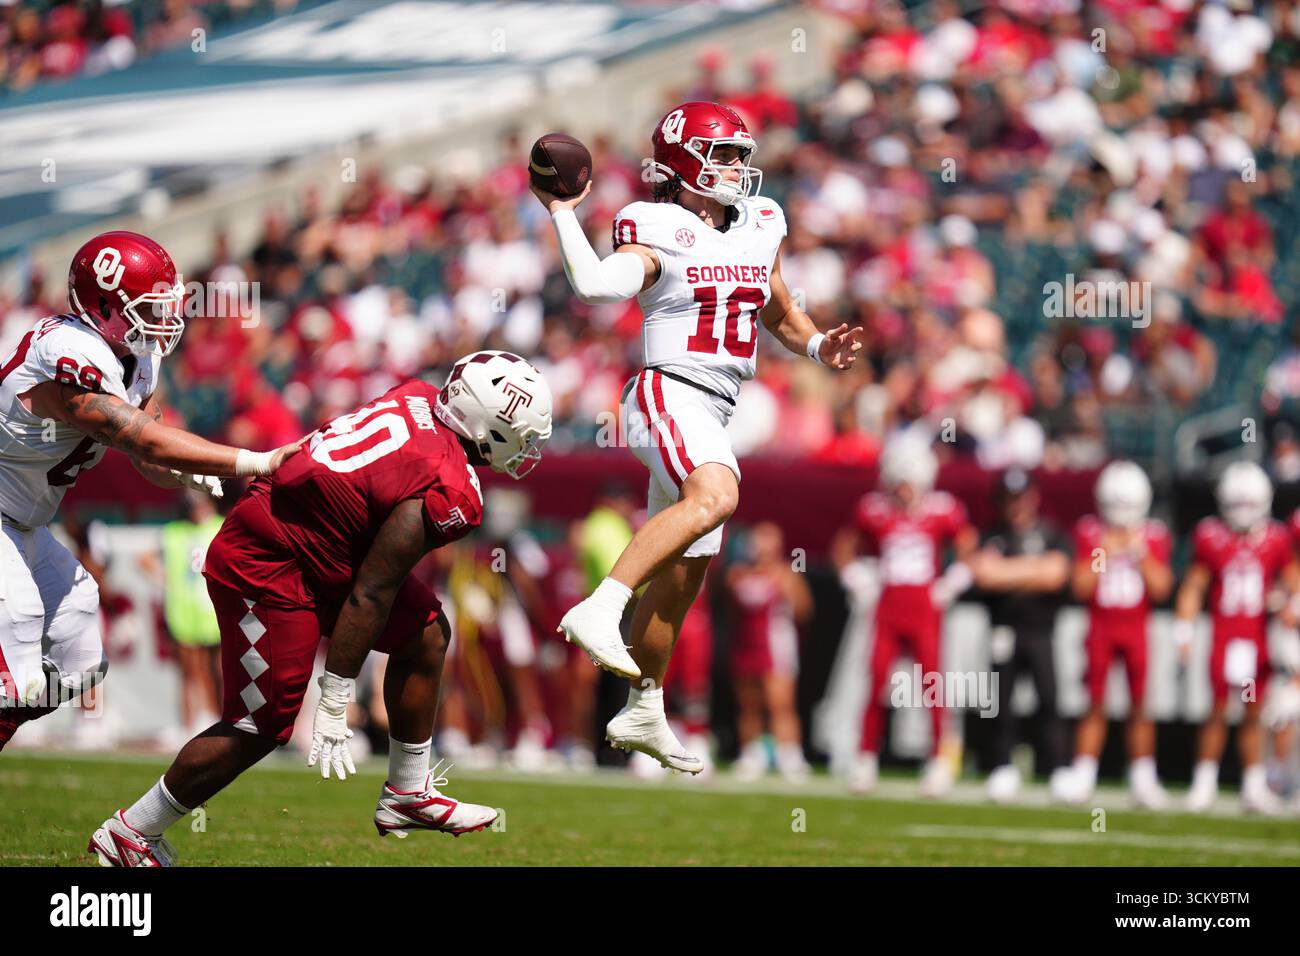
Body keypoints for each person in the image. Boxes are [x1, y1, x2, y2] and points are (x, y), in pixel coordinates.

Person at [88, 351, 553, 867]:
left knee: (425, 633)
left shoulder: (419, 396)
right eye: (525, 433)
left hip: (322, 547)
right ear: (489, 424)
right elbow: (372, 592)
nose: (529, 447)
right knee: (261, 725)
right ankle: (130, 832)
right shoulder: (449, 486)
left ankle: (408, 792)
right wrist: (335, 698)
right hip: (269, 561)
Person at [535, 101, 863, 772]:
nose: (739, 167)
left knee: (684, 576)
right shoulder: (655, 224)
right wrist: (563, 213)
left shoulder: (760, 223)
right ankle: (600, 607)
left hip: (714, 408)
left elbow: (777, 308)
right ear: (682, 160)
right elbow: (598, 287)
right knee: (716, 495)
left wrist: (819, 345)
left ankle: (644, 705)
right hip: (665, 390)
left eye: (743, 154)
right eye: (724, 154)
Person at [0, 231, 300, 753]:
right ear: (104, 306)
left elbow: (147, 457)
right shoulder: (68, 353)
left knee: (80, 657)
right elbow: (140, 438)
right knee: (20, 635)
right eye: (150, 306)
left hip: (23, 523)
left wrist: (182, 472)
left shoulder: (136, 357)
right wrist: (254, 461)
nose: (166, 319)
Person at [835, 435, 977, 798]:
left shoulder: (942, 510)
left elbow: (968, 546)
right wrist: (856, 578)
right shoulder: (876, 509)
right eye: (900, 483)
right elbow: (843, 546)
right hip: (889, 607)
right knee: (877, 679)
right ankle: (865, 757)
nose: (906, 491)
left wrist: (952, 582)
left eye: (911, 483)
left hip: (924, 610)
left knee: (932, 685)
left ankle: (940, 761)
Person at [1177, 461, 1295, 813]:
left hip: (1255, 638)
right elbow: (1195, 585)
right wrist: (1184, 628)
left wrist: (1285, 602)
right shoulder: (1212, 536)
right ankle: (1205, 780)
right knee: (1216, 709)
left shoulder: (1275, 538)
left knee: (1252, 712)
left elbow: (1291, 581)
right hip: (1224, 637)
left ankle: (1254, 782)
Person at [1055, 461, 1173, 809]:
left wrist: (1139, 555)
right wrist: (1103, 553)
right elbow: (1080, 586)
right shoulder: (1091, 533)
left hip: (1136, 626)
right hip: (1101, 627)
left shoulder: (1153, 535)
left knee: (1140, 704)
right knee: (1095, 703)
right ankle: (1084, 774)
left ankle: (1143, 777)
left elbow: (1162, 588)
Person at [966, 468, 1071, 803]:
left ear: (1034, 497)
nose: (1017, 505)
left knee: (1049, 700)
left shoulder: (1051, 533)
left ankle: (1057, 769)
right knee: (1001, 703)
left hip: (1040, 630)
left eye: (1022, 497)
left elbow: (1055, 575)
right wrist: (1032, 570)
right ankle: (1001, 766)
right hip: (1003, 630)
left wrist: (1009, 572)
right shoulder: (992, 536)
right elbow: (984, 575)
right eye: (1010, 498)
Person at [726, 521, 812, 782]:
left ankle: (790, 755)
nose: (760, 546)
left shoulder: (787, 574)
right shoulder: (738, 574)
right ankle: (752, 754)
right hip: (746, 645)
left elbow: (804, 611)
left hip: (776, 646)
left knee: (780, 703)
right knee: (749, 703)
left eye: (767, 539)